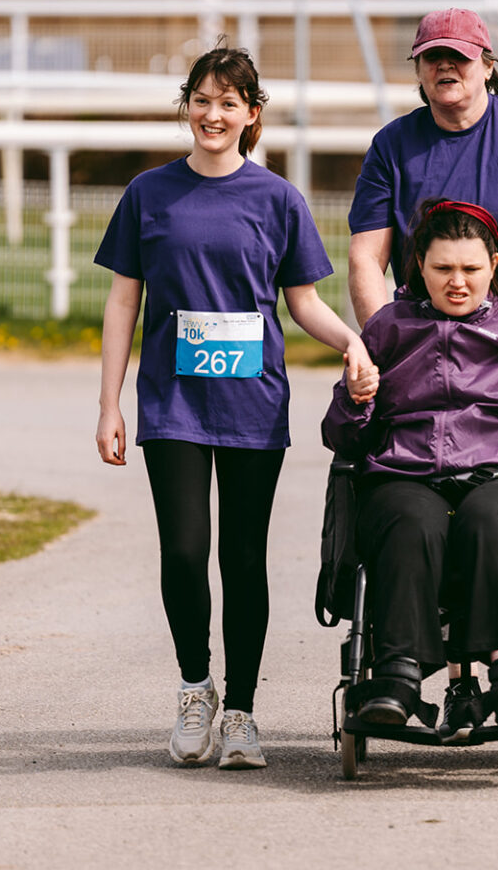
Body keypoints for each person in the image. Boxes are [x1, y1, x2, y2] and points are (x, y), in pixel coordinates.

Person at [95, 45, 375, 770]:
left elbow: (304, 302)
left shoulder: (278, 200)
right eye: (201, 99)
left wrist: (352, 343)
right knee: (185, 553)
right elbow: (124, 299)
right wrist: (109, 405)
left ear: (252, 115)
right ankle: (196, 689)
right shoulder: (148, 194)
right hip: (173, 402)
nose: (212, 114)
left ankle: (243, 712)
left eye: (229, 102)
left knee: (242, 559)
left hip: (252, 404)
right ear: (186, 106)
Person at [321, 199, 498, 741]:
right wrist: (356, 400)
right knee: (410, 520)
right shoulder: (387, 329)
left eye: (471, 269)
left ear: (494, 263)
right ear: (418, 264)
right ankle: (396, 676)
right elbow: (341, 437)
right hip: (408, 473)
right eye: (443, 268)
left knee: (488, 520)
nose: (457, 282)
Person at [347, 7, 498, 328]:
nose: (445, 65)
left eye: (460, 56)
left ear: (488, 67)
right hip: (428, 338)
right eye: (433, 56)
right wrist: (383, 340)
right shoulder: (391, 144)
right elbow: (365, 256)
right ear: (418, 71)